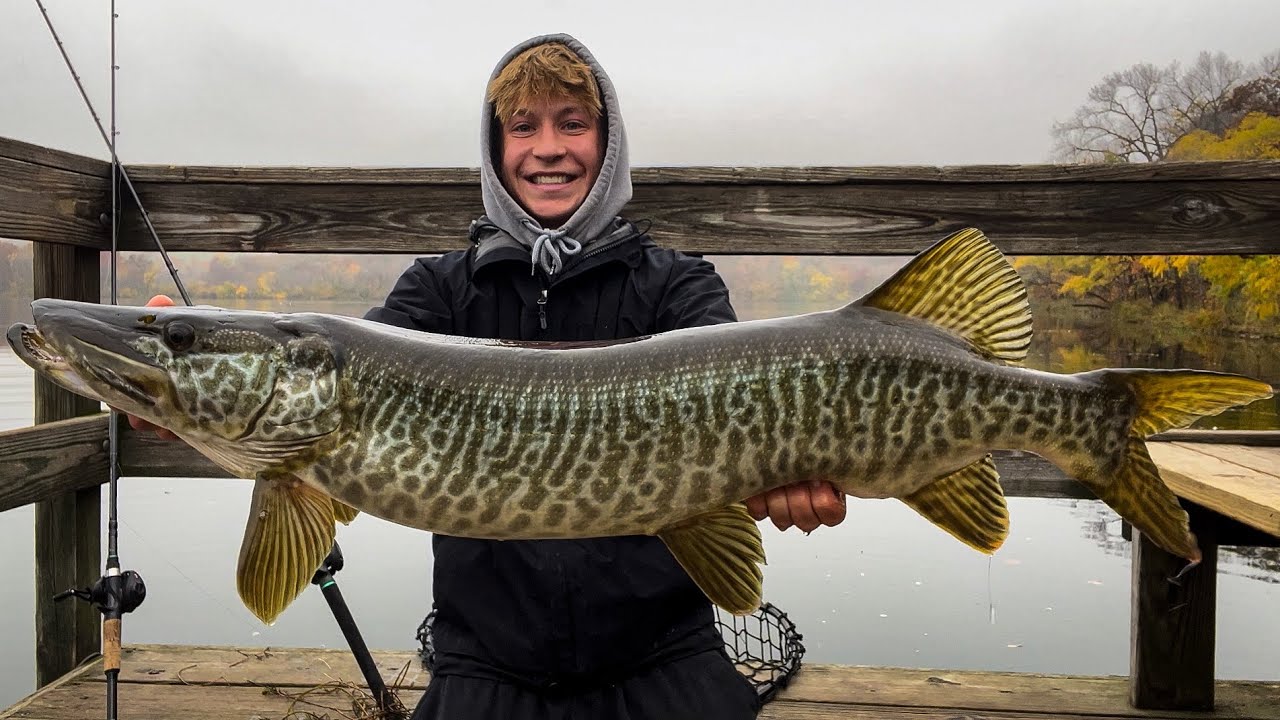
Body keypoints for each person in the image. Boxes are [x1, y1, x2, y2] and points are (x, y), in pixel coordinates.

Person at [129, 34, 847, 719]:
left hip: (663, 651)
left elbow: (738, 381)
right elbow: (359, 353)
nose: (548, 148)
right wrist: (173, 370)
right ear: (496, 149)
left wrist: (788, 469)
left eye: (572, 124)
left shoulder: (677, 286)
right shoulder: (441, 291)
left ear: (608, 144)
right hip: (488, 662)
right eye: (522, 127)